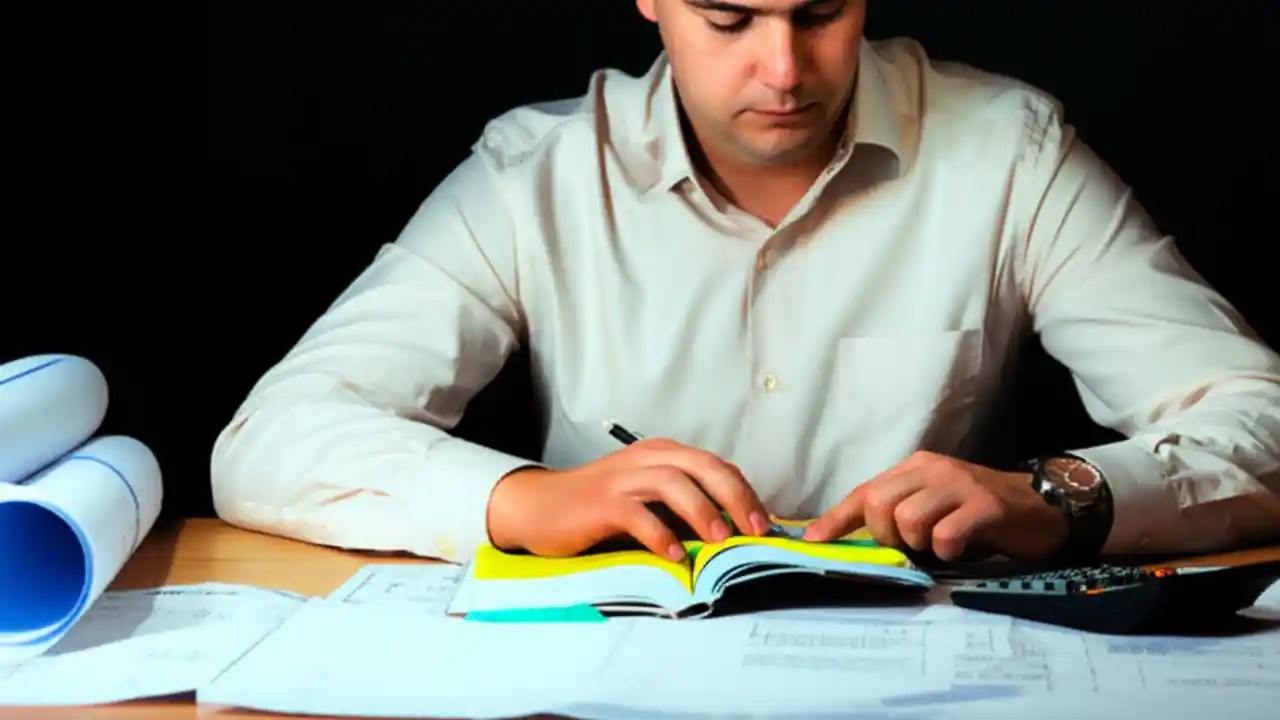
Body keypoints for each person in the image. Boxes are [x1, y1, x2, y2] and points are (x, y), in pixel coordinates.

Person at [209, 0, 1280, 567]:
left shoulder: (1008, 152)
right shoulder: (530, 177)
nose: (782, 69)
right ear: (651, 2)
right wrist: (522, 500)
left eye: (820, 12)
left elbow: (1261, 418)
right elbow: (271, 439)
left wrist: (1059, 497)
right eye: (728, 19)